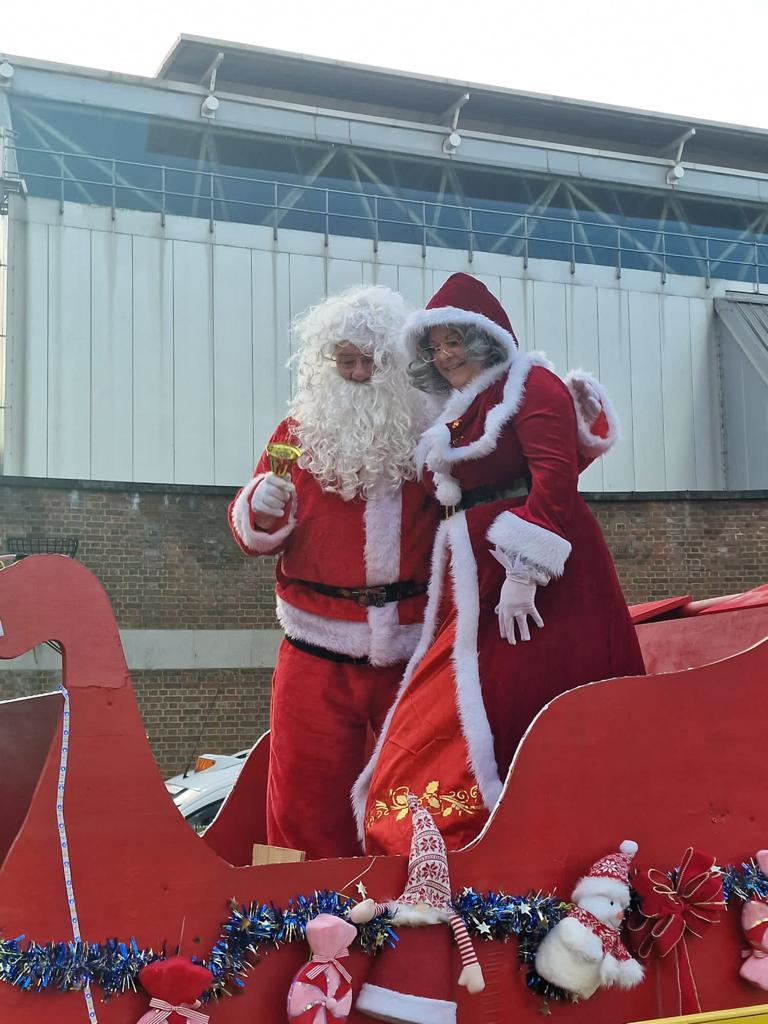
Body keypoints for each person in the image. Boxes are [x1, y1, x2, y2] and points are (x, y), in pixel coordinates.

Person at [353, 273, 645, 854]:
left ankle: (496, 840)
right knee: (455, 695)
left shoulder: (530, 384)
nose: (443, 355)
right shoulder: (465, 407)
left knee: (517, 703)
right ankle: (433, 841)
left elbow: (555, 475)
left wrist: (523, 570)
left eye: (454, 341)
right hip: (475, 578)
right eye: (434, 346)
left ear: (485, 338)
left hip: (540, 585)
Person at [228, 285, 440, 859]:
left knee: (422, 799)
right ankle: (301, 927)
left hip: (411, 648)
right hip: (313, 645)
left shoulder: (431, 433)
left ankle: (414, 916)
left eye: (369, 361)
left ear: (395, 364)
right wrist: (259, 508)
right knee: (301, 802)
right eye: (344, 361)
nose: (355, 373)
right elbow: (248, 531)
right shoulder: (296, 432)